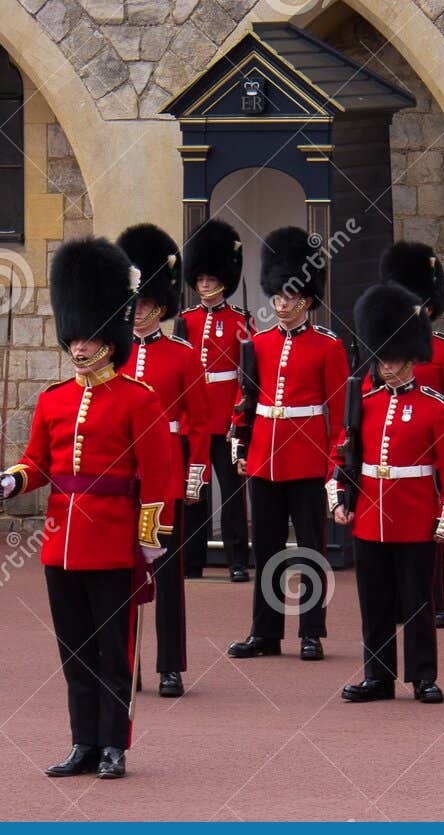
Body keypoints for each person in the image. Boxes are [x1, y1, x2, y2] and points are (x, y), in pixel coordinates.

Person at [0, 238, 176, 780]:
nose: (80, 348)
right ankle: (83, 743)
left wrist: (148, 536)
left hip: (114, 542)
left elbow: (160, 474)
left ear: (110, 340)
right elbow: (37, 463)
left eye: (90, 338)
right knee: (76, 654)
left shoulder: (140, 399)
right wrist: (9, 482)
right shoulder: (53, 399)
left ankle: (115, 745)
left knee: (116, 654)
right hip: (61, 544)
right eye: (75, 338)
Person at [331, 283, 444, 703]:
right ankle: (378, 676)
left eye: (391, 359)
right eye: (382, 358)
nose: (385, 366)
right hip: (371, 515)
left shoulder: (435, 406)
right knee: (374, 604)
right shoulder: (365, 403)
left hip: (414, 516)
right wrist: (340, 497)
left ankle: (423, 676)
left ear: (410, 358)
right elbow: (342, 454)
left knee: (418, 604)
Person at [227, 226, 348, 662]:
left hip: (307, 459)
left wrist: (337, 465)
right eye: (276, 298)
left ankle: (311, 631)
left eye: (289, 299)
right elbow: (247, 400)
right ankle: (265, 632)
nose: (280, 306)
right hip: (264, 458)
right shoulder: (258, 344)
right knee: (268, 548)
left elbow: (339, 415)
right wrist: (241, 444)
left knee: (310, 548)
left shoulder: (329, 347)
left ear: (307, 300)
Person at [117, 223, 212, 697]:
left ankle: (170, 664)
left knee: (168, 572)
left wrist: (195, 473)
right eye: (134, 305)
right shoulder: (110, 355)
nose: (138, 314)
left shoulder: (182, 355)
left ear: (160, 307)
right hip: (121, 471)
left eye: (147, 306)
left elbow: (199, 421)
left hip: (168, 465)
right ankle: (126, 662)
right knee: (121, 569)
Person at [377, 241, 444, 628]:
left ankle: (434, 601)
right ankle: (396, 599)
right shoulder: (385, 350)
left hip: (431, 454)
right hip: (394, 454)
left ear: (429, 307)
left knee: (431, 531)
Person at [178, 219, 252, 582]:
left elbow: (246, 373)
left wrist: (239, 413)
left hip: (226, 418)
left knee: (233, 491)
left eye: (211, 281)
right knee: (195, 488)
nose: (205, 287)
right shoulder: (186, 320)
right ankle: (193, 559)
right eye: (201, 281)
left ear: (224, 281)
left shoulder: (240, 320)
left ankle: (238, 558)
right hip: (195, 416)